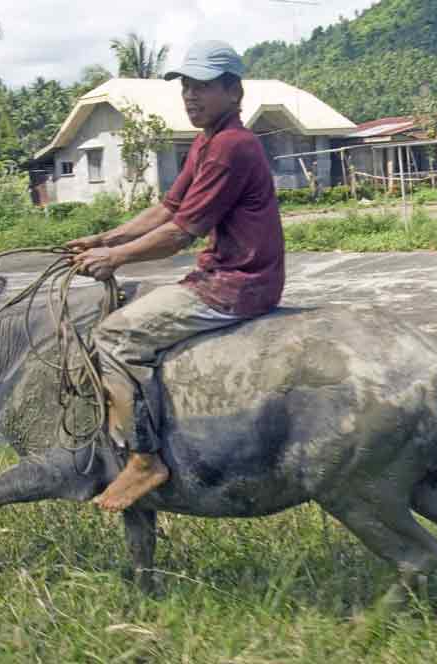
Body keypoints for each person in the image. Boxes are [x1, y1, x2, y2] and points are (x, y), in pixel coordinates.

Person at [68, 40, 285, 513]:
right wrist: (104, 239)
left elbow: (181, 232)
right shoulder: (208, 141)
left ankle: (145, 458)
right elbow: (167, 208)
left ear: (233, 91)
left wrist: (115, 258)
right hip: (221, 274)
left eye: (202, 86)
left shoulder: (231, 147)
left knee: (113, 335)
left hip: (236, 283)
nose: (190, 95)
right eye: (186, 86)